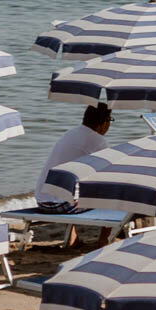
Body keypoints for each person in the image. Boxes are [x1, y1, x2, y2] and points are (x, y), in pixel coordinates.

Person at [35, 104, 114, 244]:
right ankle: (104, 239)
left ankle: (72, 238)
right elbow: (109, 174)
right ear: (104, 122)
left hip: (42, 200)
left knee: (72, 187)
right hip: (62, 205)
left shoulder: (70, 134)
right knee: (112, 195)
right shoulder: (97, 140)